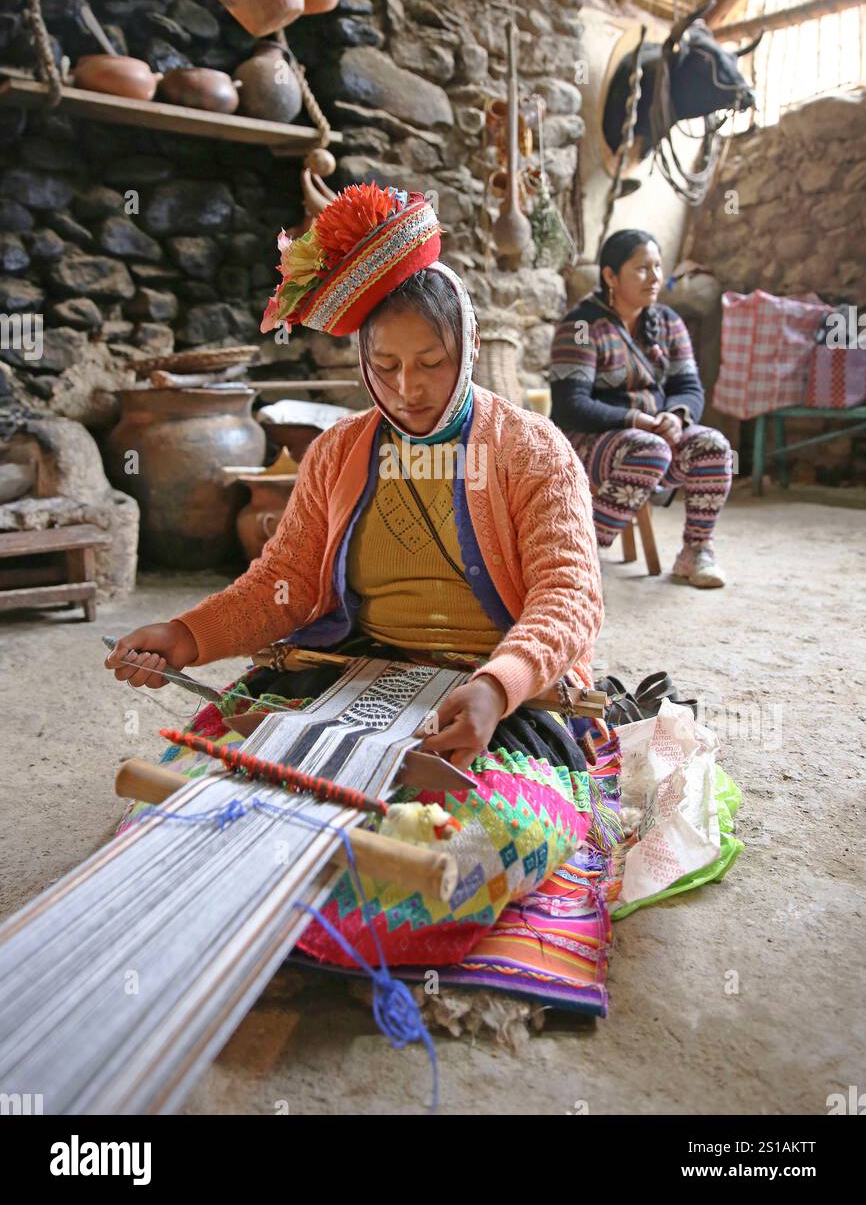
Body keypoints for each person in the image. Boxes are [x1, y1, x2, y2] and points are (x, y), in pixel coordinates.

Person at [106, 181, 614, 968]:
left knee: (465, 849)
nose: (407, 389)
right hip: (345, 681)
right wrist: (184, 635)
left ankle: (299, 924)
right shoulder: (341, 452)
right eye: (385, 365)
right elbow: (283, 582)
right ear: (361, 361)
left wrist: (494, 684)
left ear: (467, 349)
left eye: (431, 363)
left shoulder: (532, 451)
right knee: (186, 794)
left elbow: (567, 596)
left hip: (491, 704)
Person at [549, 229, 732, 588]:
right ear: (610, 276)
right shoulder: (582, 326)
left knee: (713, 446)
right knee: (650, 448)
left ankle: (695, 552)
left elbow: (688, 387)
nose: (655, 278)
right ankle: (581, 555)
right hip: (589, 443)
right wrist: (636, 420)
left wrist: (676, 416)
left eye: (658, 267)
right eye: (642, 269)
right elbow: (571, 405)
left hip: (653, 442)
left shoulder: (668, 323)